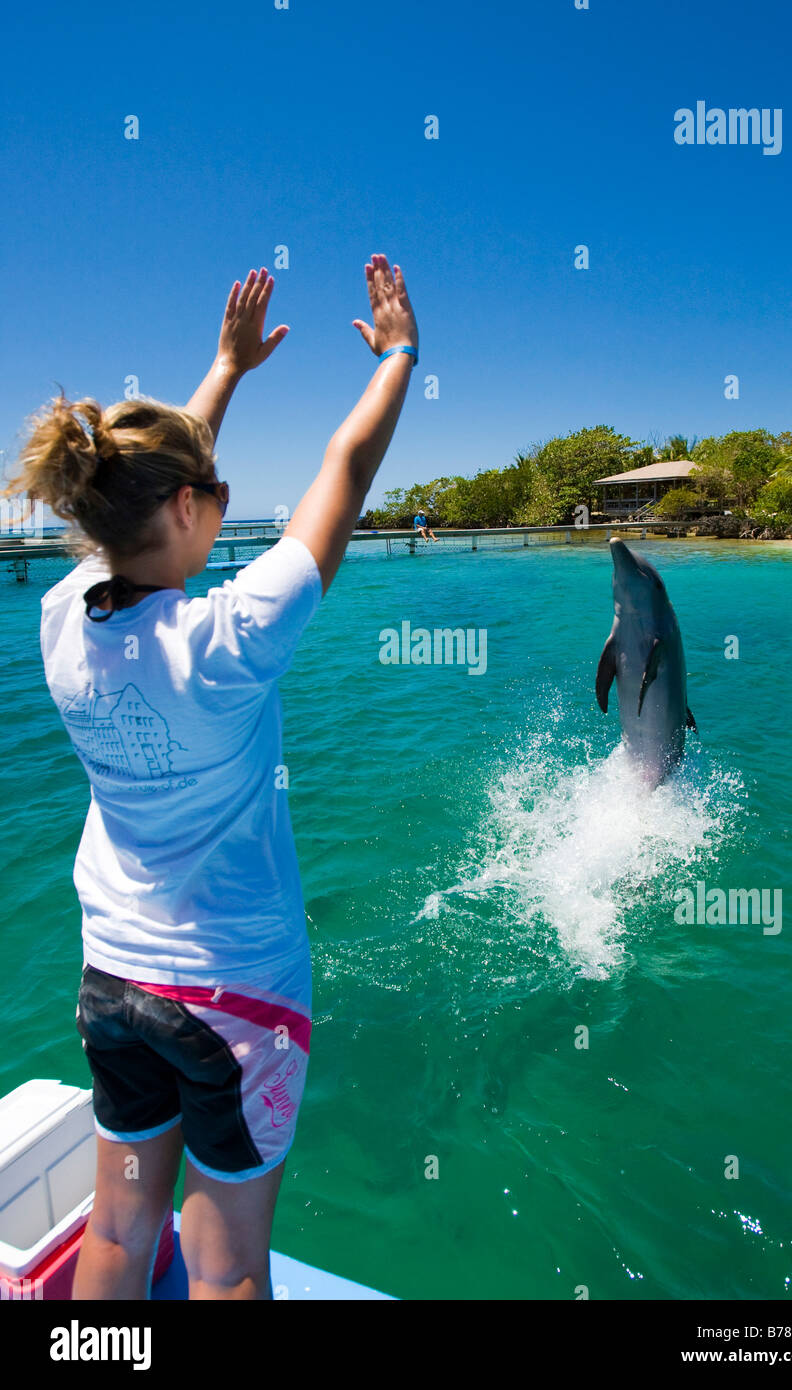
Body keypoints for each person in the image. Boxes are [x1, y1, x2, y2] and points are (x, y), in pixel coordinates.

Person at [3, 254, 418, 1300]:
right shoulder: (231, 639)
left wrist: (222, 371)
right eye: (213, 496)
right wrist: (400, 354)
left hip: (114, 986)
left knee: (120, 1227)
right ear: (190, 506)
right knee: (227, 1263)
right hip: (232, 1002)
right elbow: (346, 467)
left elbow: (133, 501)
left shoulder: (61, 619)